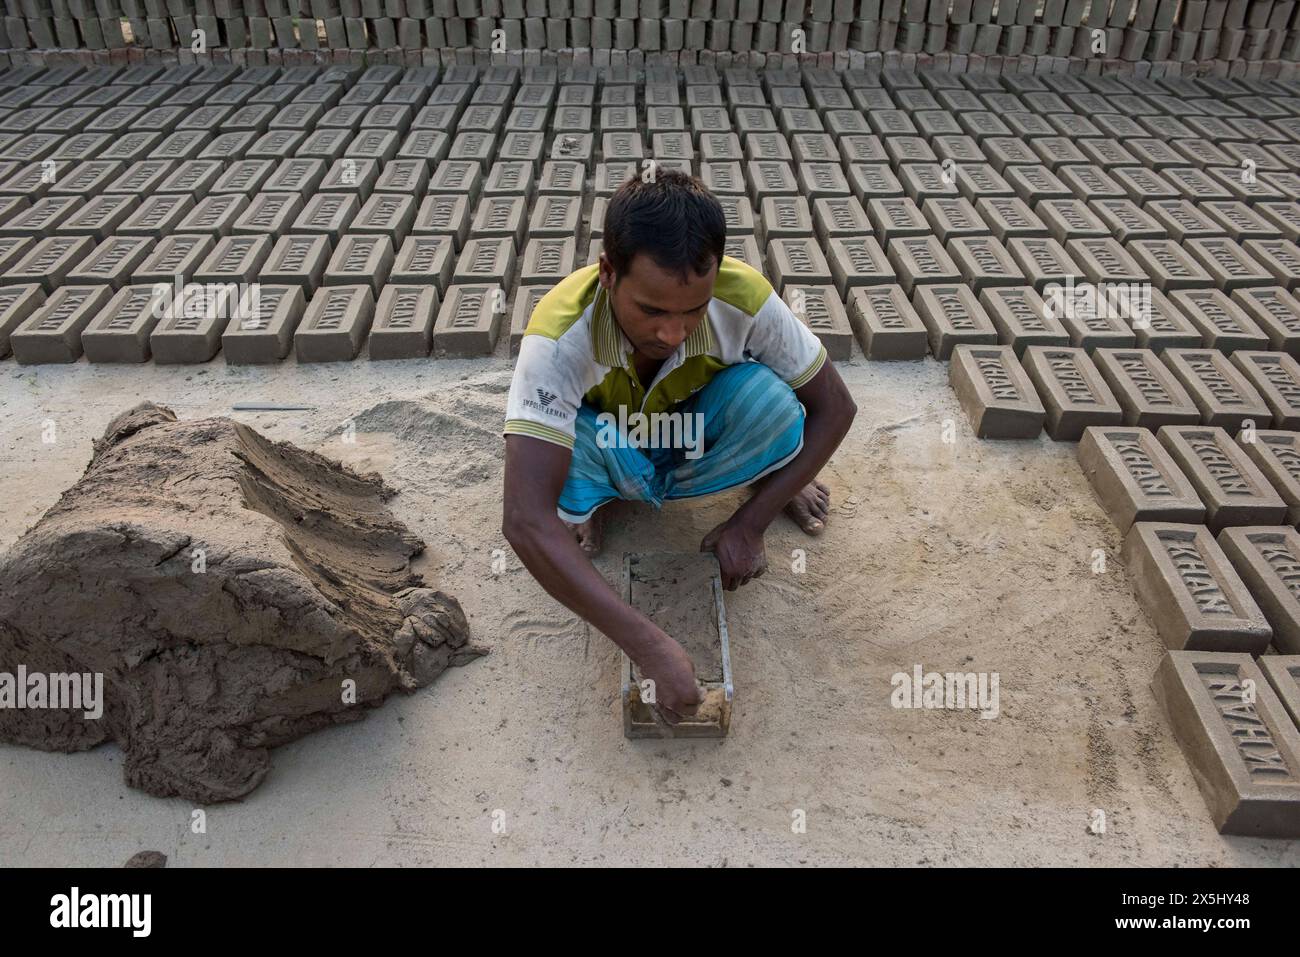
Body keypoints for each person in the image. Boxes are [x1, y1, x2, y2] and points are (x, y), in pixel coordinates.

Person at [502, 170, 857, 722]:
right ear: (607, 274)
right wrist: (651, 648)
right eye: (652, 310)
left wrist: (749, 524)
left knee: (774, 403)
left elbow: (836, 407)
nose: (673, 332)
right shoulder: (558, 334)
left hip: (690, 430)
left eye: (693, 309)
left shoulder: (745, 297)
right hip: (610, 440)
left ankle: (767, 479)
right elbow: (523, 520)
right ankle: (599, 499)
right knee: (551, 455)